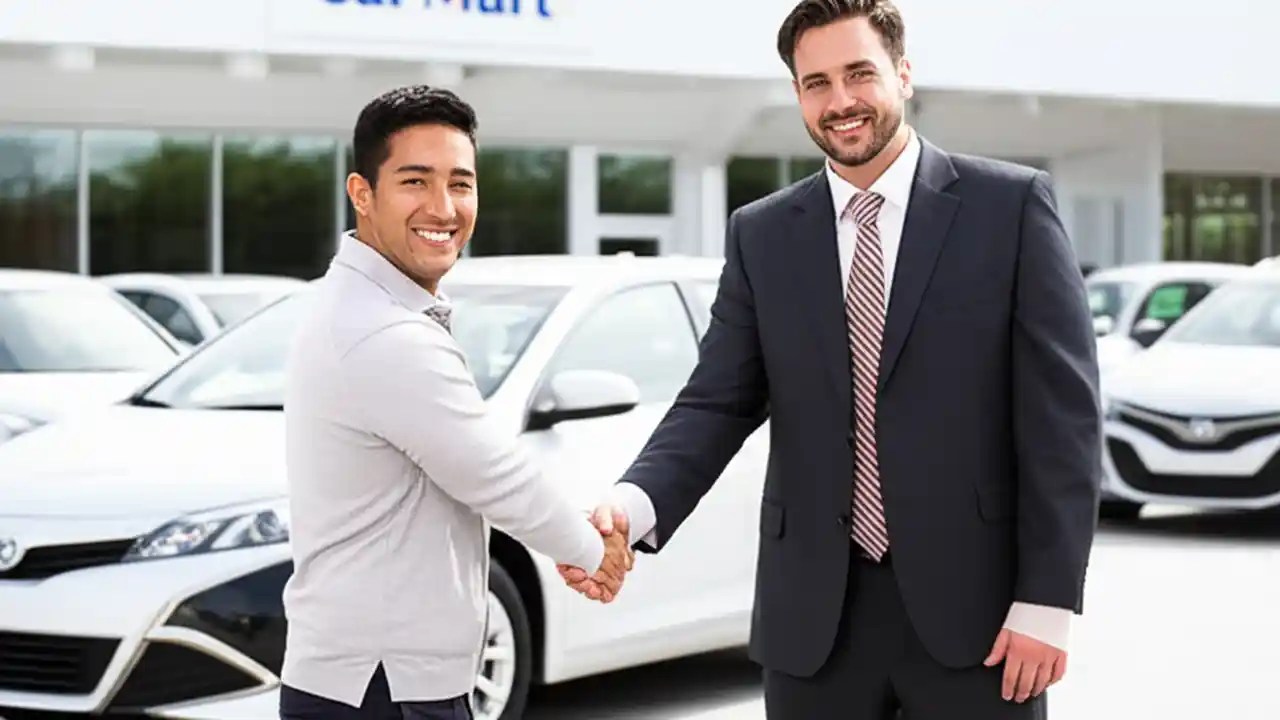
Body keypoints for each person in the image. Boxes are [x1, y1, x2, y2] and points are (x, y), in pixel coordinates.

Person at [560, 1, 1102, 717]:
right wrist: (632, 507)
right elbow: (716, 401)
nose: (840, 101)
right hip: (812, 623)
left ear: (903, 74)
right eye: (816, 82)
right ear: (796, 95)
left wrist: (1048, 598)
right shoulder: (762, 235)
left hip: (980, 617)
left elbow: (1063, 422)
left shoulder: (1010, 208)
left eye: (859, 74)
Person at [280, 85, 633, 720]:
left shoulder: (361, 307)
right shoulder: (384, 331)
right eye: (415, 181)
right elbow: (494, 474)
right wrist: (591, 550)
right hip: (382, 687)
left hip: (366, 678)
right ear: (363, 194)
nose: (443, 207)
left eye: (461, 183)